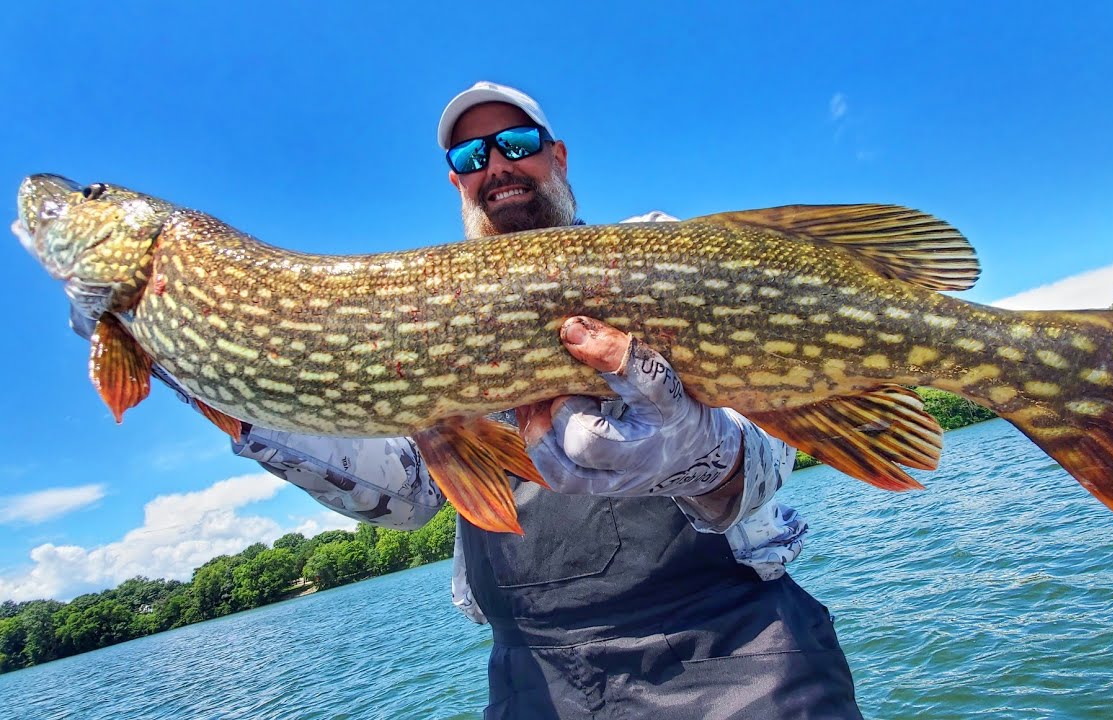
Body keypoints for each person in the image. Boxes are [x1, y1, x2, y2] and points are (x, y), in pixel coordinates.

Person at [119, 82, 863, 718]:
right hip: (535, 679)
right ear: (456, 183)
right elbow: (409, 495)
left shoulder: (655, 249)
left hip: (736, 655)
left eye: (515, 142)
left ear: (556, 155)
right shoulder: (426, 315)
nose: (497, 166)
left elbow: (774, 455)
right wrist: (217, 384)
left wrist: (693, 451)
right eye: (471, 157)